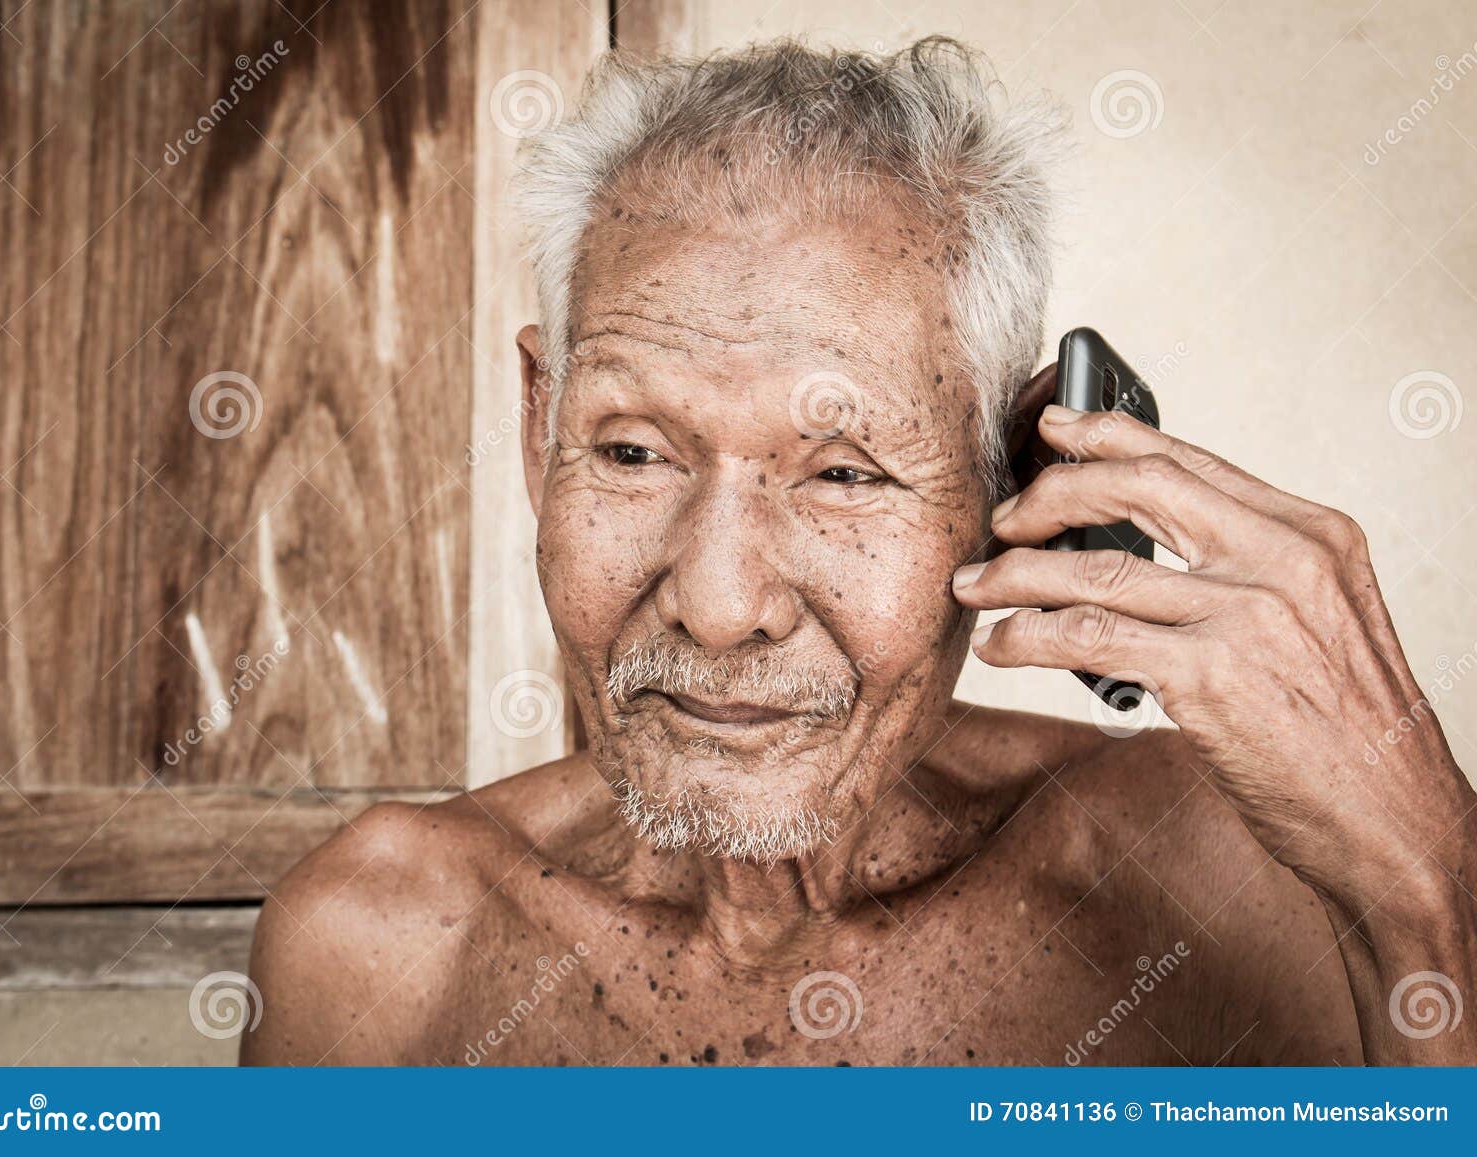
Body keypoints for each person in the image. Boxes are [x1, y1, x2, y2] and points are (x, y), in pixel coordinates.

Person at [242, 37, 1474, 1066]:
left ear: (1020, 472)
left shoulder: (1211, 878)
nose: (719, 606)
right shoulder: (374, 948)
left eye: (841, 473)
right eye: (630, 453)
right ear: (536, 431)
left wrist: (1429, 886)